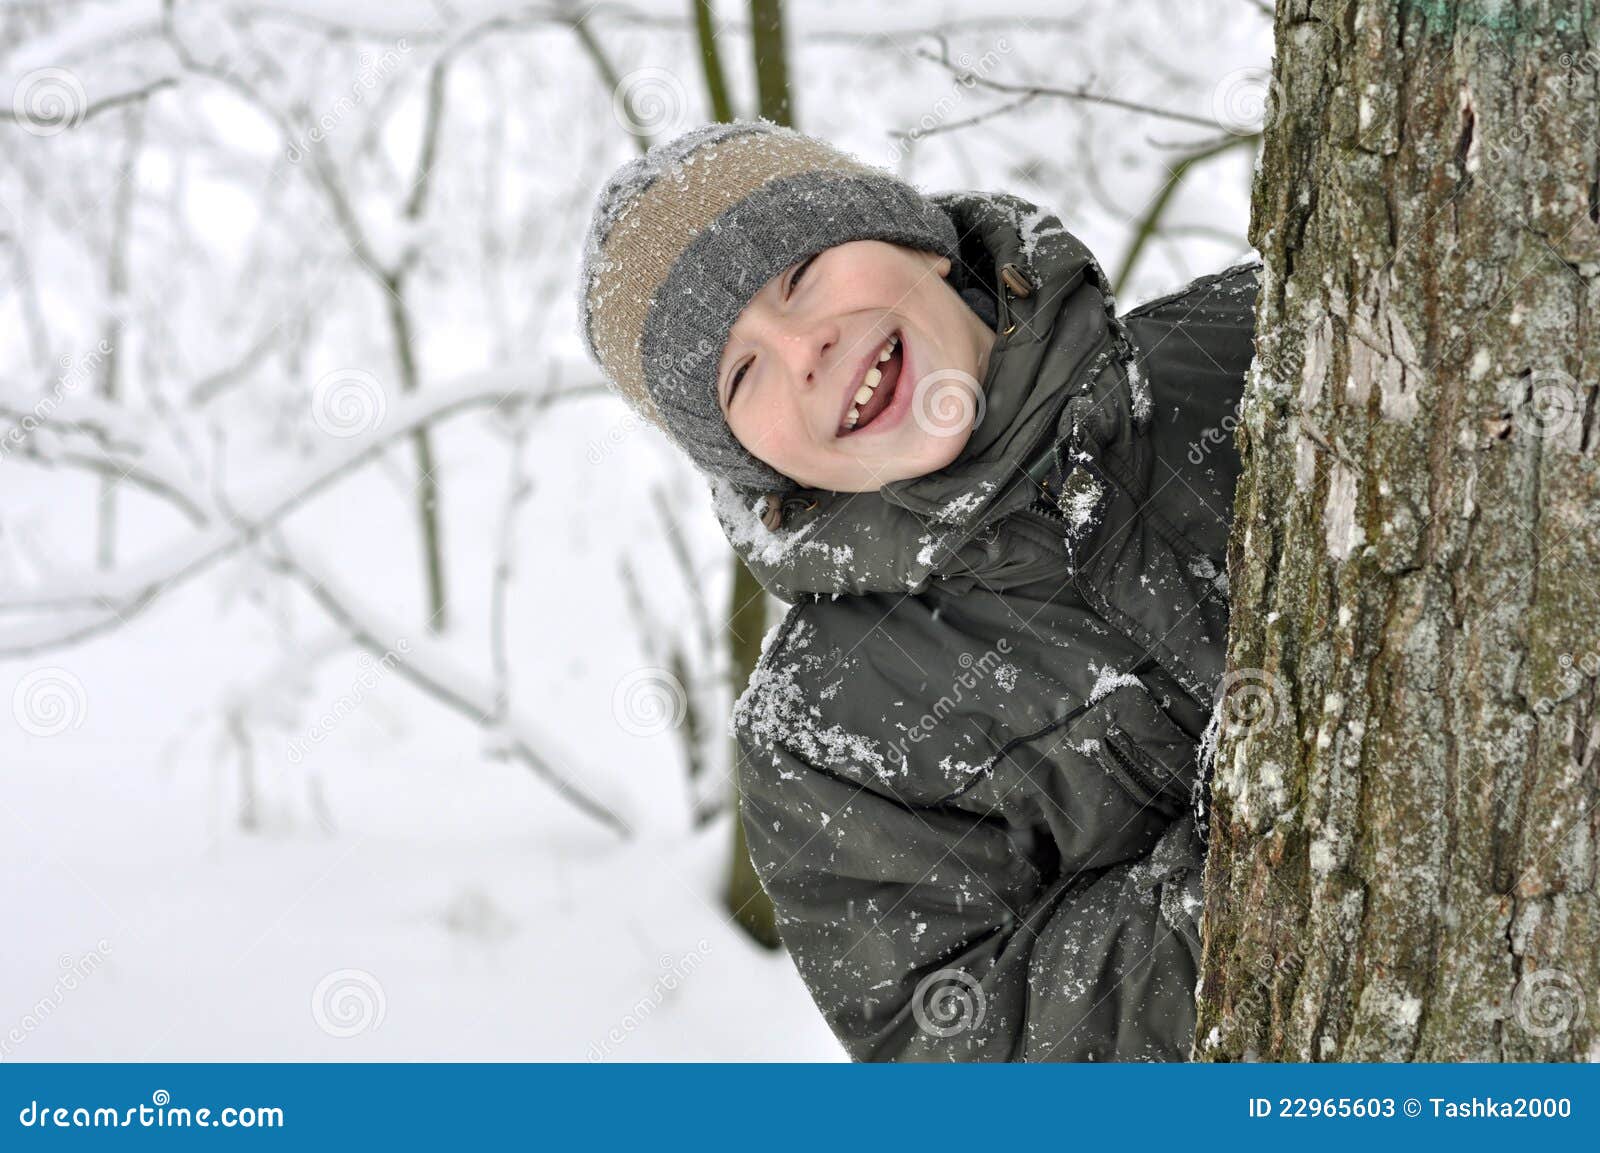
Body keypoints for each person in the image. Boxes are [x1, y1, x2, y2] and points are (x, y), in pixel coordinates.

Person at [577, 119, 1259, 1061]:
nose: (803, 348)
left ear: (920, 244)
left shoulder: (1259, 344)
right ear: (757, 462)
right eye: (742, 374)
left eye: (799, 274)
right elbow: (954, 1053)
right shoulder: (826, 738)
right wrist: (1285, 871)